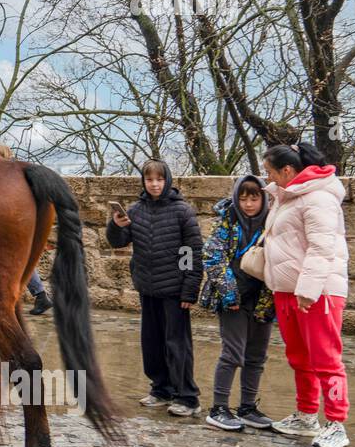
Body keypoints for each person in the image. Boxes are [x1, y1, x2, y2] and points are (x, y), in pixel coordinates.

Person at [261, 142, 351, 447]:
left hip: (317, 292)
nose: (268, 178)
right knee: (299, 357)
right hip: (287, 290)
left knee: (326, 359)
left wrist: (308, 290)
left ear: (287, 171)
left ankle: (337, 423)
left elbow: (321, 247)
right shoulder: (287, 197)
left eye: (270, 172)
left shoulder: (319, 198)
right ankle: (306, 414)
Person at [106, 159, 204, 417]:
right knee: (152, 342)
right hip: (147, 287)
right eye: (150, 180)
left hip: (174, 289)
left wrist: (189, 289)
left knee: (177, 344)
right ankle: (161, 389)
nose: (155, 184)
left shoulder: (182, 211)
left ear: (167, 180)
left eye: (159, 179)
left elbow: (190, 252)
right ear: (144, 182)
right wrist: (116, 224)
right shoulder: (135, 210)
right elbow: (118, 242)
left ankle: (188, 396)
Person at [199, 176, 275, 431]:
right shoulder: (227, 219)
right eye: (243, 199)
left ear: (263, 198)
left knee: (256, 355)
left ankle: (247, 407)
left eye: (254, 198)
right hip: (233, 296)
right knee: (232, 353)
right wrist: (229, 294)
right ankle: (219, 407)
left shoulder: (272, 221)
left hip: (263, 296)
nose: (249, 204)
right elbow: (212, 257)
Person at [0, 143, 54, 315]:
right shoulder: (9, 176)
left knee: (17, 261)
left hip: (10, 224)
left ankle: (38, 295)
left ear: (4, 156)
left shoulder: (7, 177)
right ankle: (40, 296)